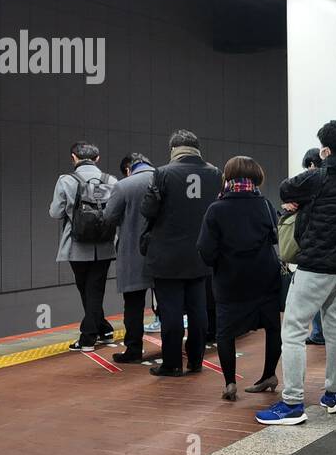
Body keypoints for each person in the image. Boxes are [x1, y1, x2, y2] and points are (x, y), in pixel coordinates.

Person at [255, 120, 336, 426]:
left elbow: (285, 188)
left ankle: (292, 403)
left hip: (316, 266)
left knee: (292, 331)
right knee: (334, 329)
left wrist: (318, 166)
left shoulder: (320, 177)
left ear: (326, 150)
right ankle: (334, 394)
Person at [197, 156, 285, 402]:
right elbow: (275, 238)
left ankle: (230, 383)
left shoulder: (217, 208)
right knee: (272, 327)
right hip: (265, 278)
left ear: (229, 178)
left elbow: (205, 250)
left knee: (225, 332)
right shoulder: (265, 205)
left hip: (230, 281)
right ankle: (269, 375)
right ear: (255, 177)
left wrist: (218, 262)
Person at [140, 129, 223, 377]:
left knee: (171, 311)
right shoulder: (215, 173)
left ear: (174, 149)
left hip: (167, 255)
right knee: (199, 309)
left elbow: (148, 210)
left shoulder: (163, 172)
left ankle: (172, 363)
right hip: (200, 253)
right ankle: (196, 361)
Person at [49, 142, 118, 352]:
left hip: (77, 245)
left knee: (85, 288)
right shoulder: (112, 181)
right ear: (97, 158)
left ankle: (88, 337)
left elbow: (55, 213)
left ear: (74, 157)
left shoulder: (66, 180)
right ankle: (104, 328)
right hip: (105, 244)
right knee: (96, 288)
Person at [104, 153, 157, 363]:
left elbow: (109, 217)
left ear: (128, 169)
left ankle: (134, 349)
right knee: (170, 301)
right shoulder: (166, 179)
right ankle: (176, 348)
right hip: (164, 252)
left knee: (134, 305)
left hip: (133, 253)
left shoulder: (124, 185)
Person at [301, 147, 327, 346]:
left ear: (311, 164)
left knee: (315, 298)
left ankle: (318, 333)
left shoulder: (312, 185)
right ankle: (323, 332)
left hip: (317, 252)